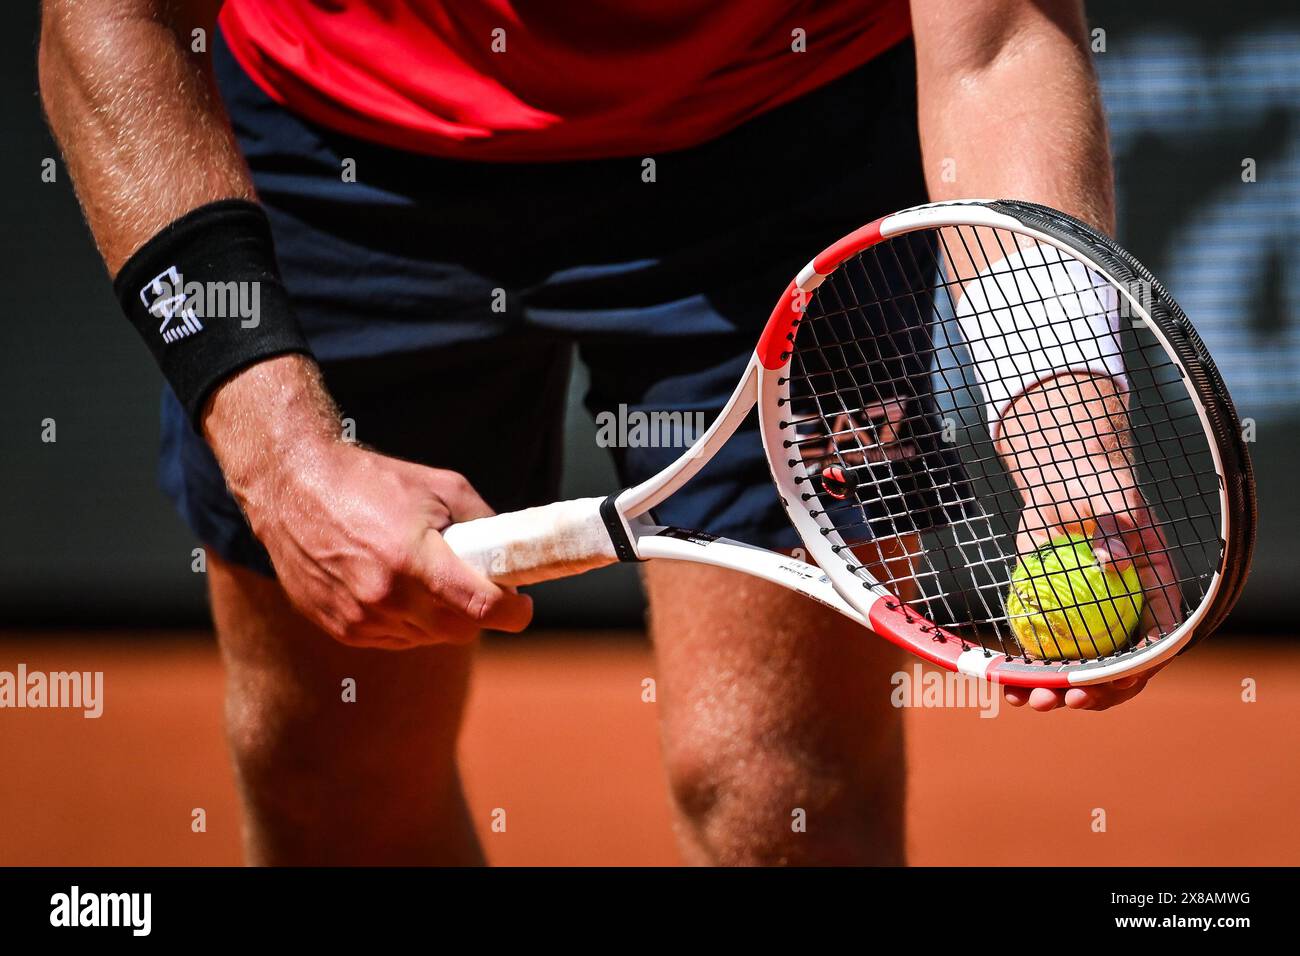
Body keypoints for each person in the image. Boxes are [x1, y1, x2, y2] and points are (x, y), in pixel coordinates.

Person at [39, 0, 1162, 866]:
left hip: (776, 126)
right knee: (330, 785)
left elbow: (996, 38)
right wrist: (279, 454)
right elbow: (104, 21)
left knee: (779, 798)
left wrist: (1071, 442)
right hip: (336, 141)